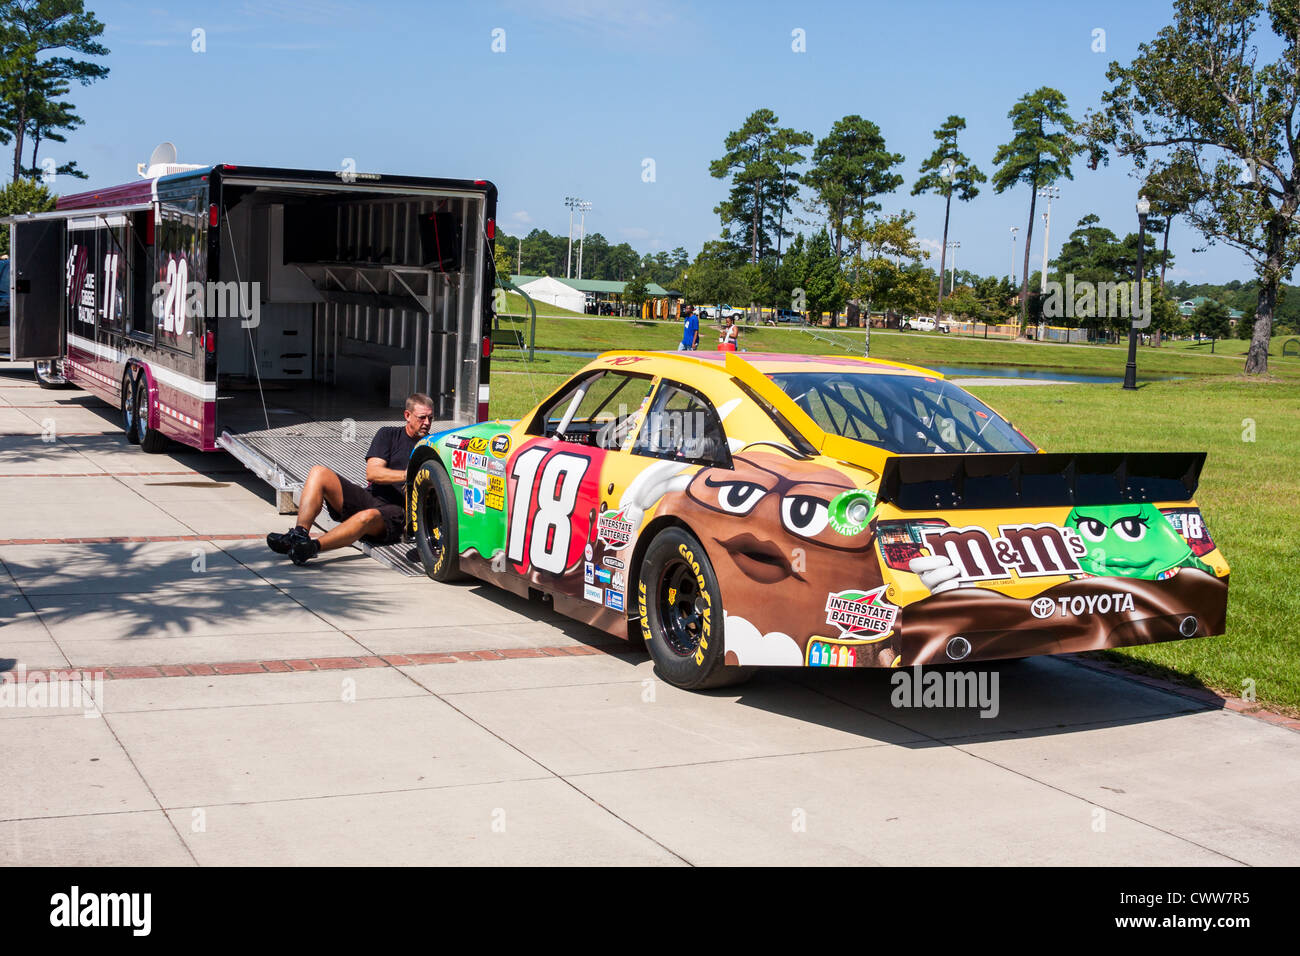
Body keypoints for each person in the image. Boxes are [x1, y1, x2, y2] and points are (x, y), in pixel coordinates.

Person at [266, 393, 435, 565]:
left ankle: (310, 548)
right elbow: (373, 473)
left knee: (366, 517)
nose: (427, 423)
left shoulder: (431, 446)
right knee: (318, 472)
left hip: (398, 513)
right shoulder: (388, 434)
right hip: (370, 497)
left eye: (430, 418)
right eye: (422, 418)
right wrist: (407, 476)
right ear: (407, 415)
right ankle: (299, 534)